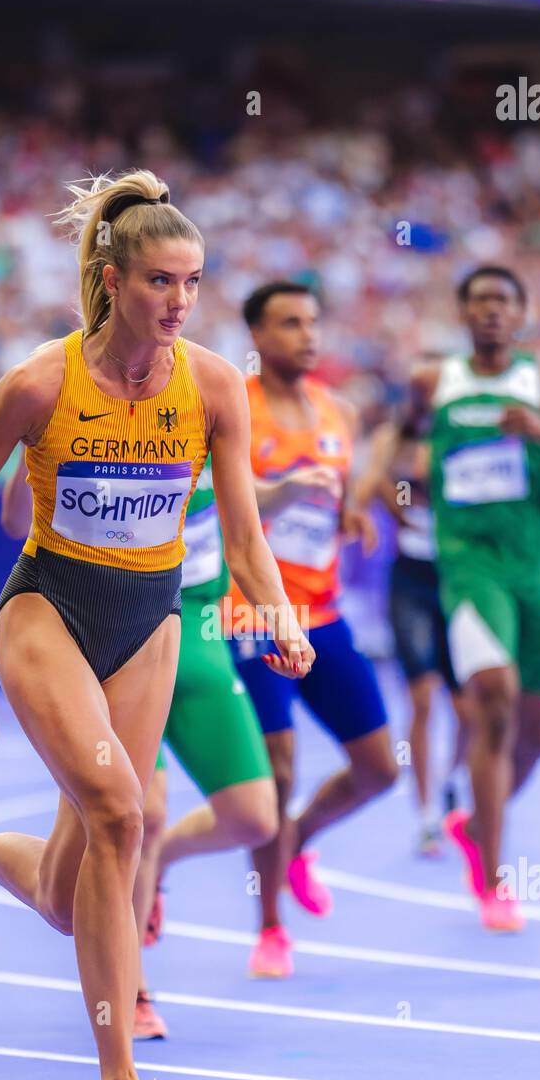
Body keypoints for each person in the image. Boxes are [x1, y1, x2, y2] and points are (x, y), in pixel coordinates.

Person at [0, 171, 312, 1080]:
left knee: (60, 891)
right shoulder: (42, 382)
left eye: (196, 283)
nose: (180, 302)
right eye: (162, 281)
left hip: (150, 621)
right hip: (50, 611)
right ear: (112, 278)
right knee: (126, 813)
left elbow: (248, 538)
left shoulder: (212, 386)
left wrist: (280, 614)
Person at [2, 444, 277, 1041]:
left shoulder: (198, 406)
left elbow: (245, 515)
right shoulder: (80, 412)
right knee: (138, 817)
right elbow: (10, 521)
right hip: (115, 635)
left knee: (256, 818)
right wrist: (35, 451)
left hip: (197, 627)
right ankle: (133, 995)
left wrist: (279, 610)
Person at [402, 265, 540, 930]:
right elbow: (400, 438)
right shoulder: (434, 382)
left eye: (503, 301)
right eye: (480, 300)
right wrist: (395, 479)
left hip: (533, 570)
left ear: (520, 314)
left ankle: (475, 823)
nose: (491, 310)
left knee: (539, 732)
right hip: (467, 566)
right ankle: (493, 880)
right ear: (463, 314)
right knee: (494, 696)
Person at [228, 281, 398, 979]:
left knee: (380, 768)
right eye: (289, 323)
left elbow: (330, 494)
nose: (308, 335)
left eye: (313, 322)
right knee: (279, 770)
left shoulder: (340, 412)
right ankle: (270, 928)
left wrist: (350, 514)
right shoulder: (233, 403)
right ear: (258, 336)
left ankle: (295, 840)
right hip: (251, 615)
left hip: (323, 615)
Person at [357, 407, 468, 855]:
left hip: (459, 579)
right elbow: (364, 489)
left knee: (470, 709)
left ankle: (453, 781)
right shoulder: (393, 436)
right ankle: (425, 817)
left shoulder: (458, 429)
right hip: (411, 582)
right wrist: (386, 476)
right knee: (421, 697)